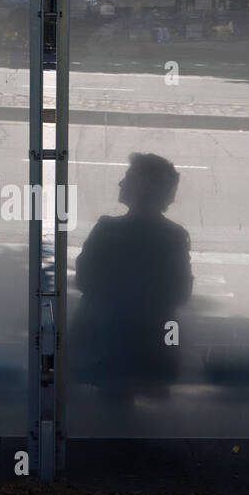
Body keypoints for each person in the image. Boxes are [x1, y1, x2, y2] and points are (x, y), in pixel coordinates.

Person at [70, 153, 192, 400]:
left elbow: (84, 279)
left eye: (127, 176)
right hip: (151, 343)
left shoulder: (108, 229)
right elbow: (180, 292)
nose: (120, 183)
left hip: (104, 341)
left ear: (143, 185)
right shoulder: (174, 235)